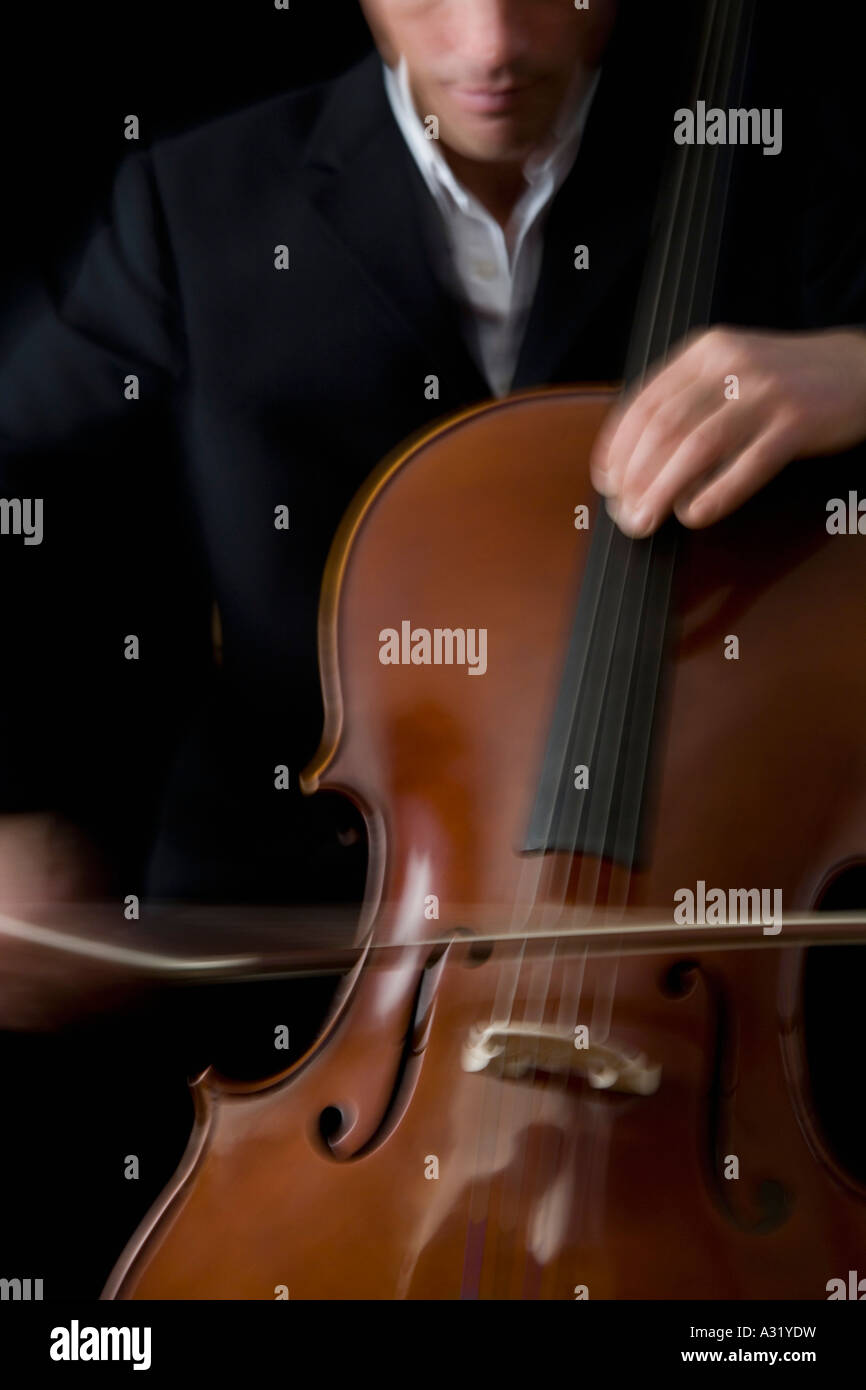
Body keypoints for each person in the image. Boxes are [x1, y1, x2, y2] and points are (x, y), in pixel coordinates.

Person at [0, 0, 864, 1295]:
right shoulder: (195, 206)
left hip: (721, 994)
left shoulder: (790, 168)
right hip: (316, 984)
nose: (490, 43)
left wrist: (860, 367)